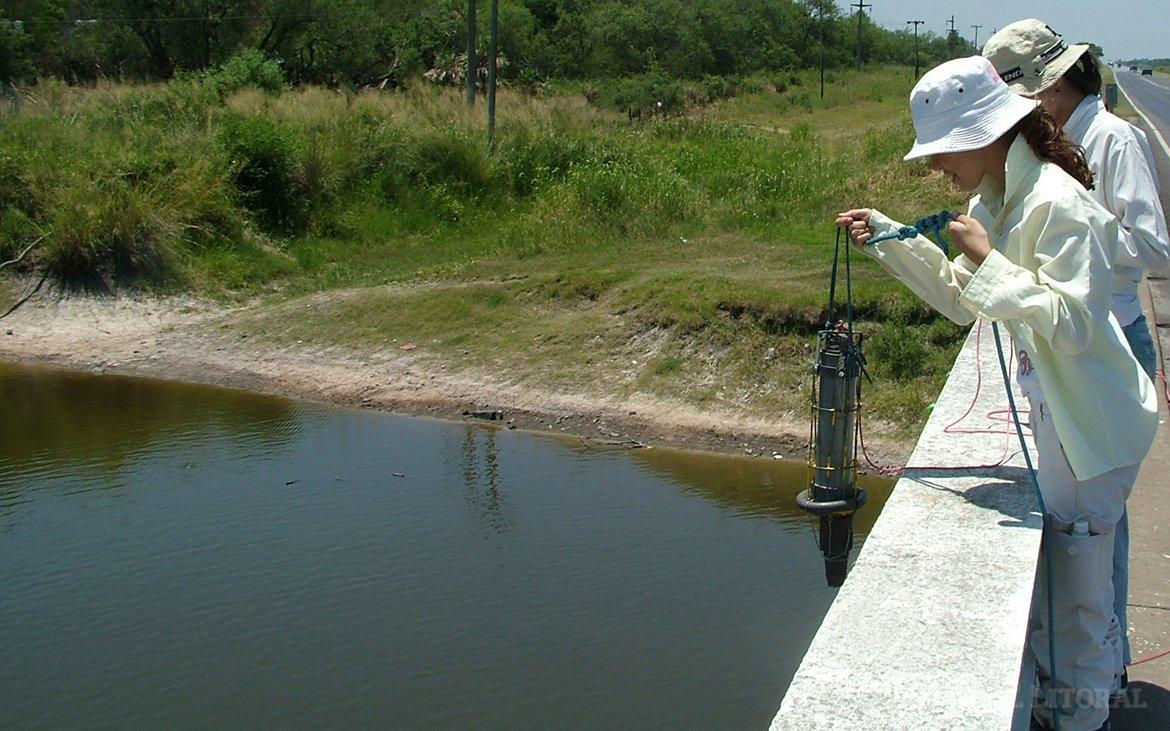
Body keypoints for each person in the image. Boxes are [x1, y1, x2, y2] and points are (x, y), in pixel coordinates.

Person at [837, 56, 1159, 731]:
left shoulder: (1057, 201)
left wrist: (991, 259)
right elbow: (964, 302)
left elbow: (1073, 323)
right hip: (1060, 416)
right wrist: (891, 239)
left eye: (942, 152)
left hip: (1092, 426)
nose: (934, 169)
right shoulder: (999, 196)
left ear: (982, 135)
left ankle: (1084, 719)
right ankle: (1062, 710)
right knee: (1059, 590)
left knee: (1079, 600)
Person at [983, 19, 1170, 685]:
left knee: (1098, 531)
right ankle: (1091, 668)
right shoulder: (1052, 144)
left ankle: (1106, 674)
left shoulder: (1112, 138)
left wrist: (1077, 243)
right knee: (1081, 527)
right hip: (1074, 349)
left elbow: (1153, 245)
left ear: (1056, 83)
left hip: (1114, 341)